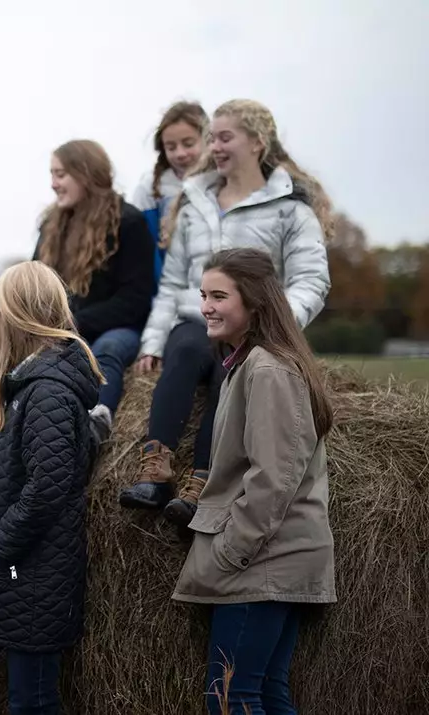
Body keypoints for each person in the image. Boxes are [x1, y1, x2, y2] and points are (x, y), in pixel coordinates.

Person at [119, 99, 332, 525]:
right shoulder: (194, 201)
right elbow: (173, 283)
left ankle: (202, 482)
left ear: (256, 142)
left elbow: (312, 279)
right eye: (212, 137)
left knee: (232, 373)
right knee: (182, 351)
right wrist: (152, 342)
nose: (213, 147)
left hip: (258, 329)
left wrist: (273, 322)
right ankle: (154, 472)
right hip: (198, 319)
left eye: (224, 137)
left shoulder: (291, 207)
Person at [171, 247, 336, 715]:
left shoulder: (267, 369)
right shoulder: (251, 364)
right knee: (262, 692)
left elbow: (274, 476)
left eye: (219, 296)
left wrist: (232, 550)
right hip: (275, 559)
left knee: (229, 698)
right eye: (203, 294)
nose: (206, 306)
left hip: (263, 562)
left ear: (255, 303)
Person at [0, 260, 102, 715]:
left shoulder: (48, 389)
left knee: (31, 703)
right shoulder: (31, 381)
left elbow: (47, 486)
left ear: (14, 313)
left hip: (29, 573)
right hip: (5, 573)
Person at [32, 139, 155, 448]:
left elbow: (137, 299)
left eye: (60, 175)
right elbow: (34, 283)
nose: (53, 184)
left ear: (85, 174)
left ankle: (95, 424)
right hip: (63, 330)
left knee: (107, 349)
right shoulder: (51, 225)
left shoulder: (128, 222)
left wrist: (74, 324)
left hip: (117, 328)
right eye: (52, 174)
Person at [129, 100, 210, 286]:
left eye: (188, 144)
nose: (180, 153)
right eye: (171, 147)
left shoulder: (226, 181)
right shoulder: (151, 188)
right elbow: (146, 251)